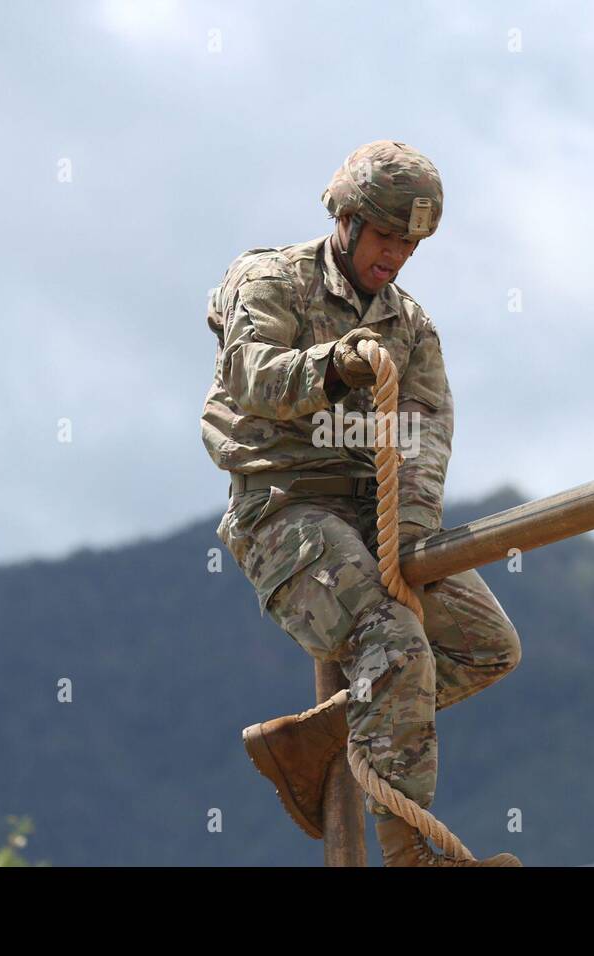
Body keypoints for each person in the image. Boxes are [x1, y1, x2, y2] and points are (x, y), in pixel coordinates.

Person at [201, 140, 522, 866]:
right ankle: (409, 857)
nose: (396, 256)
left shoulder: (410, 327)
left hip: (369, 512)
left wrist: (410, 531)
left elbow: (426, 428)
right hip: (282, 509)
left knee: (486, 648)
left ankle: (314, 740)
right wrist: (336, 364)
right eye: (385, 237)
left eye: (409, 244)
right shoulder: (269, 280)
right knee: (397, 645)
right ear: (344, 218)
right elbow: (252, 376)